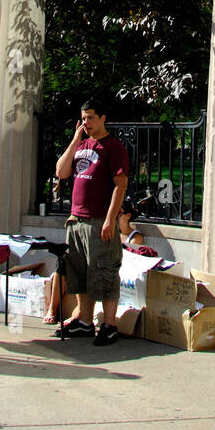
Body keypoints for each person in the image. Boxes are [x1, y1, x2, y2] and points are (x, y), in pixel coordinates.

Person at [53, 99, 129, 346]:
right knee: (81, 274)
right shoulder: (81, 144)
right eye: (83, 118)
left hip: (99, 221)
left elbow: (120, 186)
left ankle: (109, 325)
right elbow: (61, 172)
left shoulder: (113, 147)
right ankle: (84, 322)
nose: (86, 123)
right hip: (76, 220)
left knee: (104, 272)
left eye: (91, 118)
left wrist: (110, 220)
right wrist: (75, 140)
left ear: (103, 118)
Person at [42, 200, 144, 324]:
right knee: (64, 262)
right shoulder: (109, 231)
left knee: (92, 268)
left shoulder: (134, 236)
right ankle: (54, 309)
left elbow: (130, 256)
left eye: (119, 214)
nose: (117, 217)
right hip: (98, 256)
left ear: (127, 216)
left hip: (113, 264)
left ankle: (88, 316)